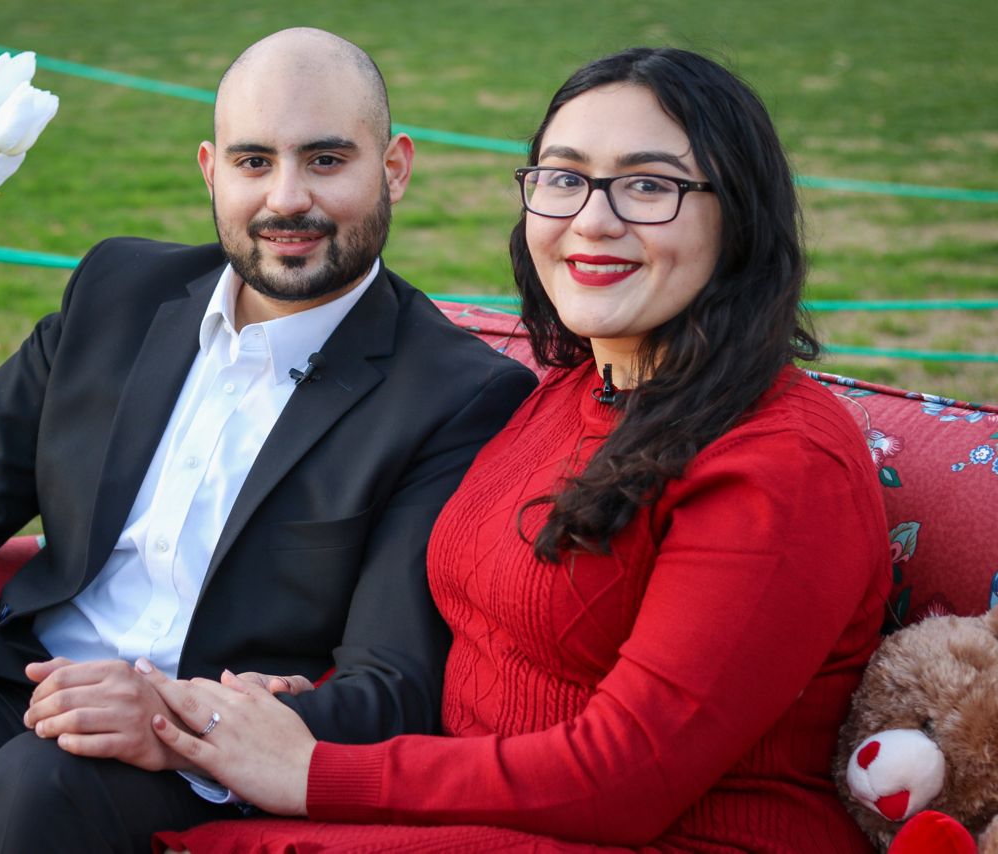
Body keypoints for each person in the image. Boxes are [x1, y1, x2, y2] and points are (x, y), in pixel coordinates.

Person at [0, 28, 535, 853]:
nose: (287, 198)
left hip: (200, 764)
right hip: (17, 691)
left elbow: (393, 685)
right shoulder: (121, 290)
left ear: (393, 167)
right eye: (255, 162)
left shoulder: (455, 394)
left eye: (326, 161)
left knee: (39, 793)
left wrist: (180, 717)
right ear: (212, 170)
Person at [145, 47, 891, 852]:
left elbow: (627, 779)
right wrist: (298, 704)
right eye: (565, 178)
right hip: (481, 813)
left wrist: (312, 770)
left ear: (737, 215)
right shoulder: (564, 396)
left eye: (648, 185)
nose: (592, 220)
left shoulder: (783, 463)